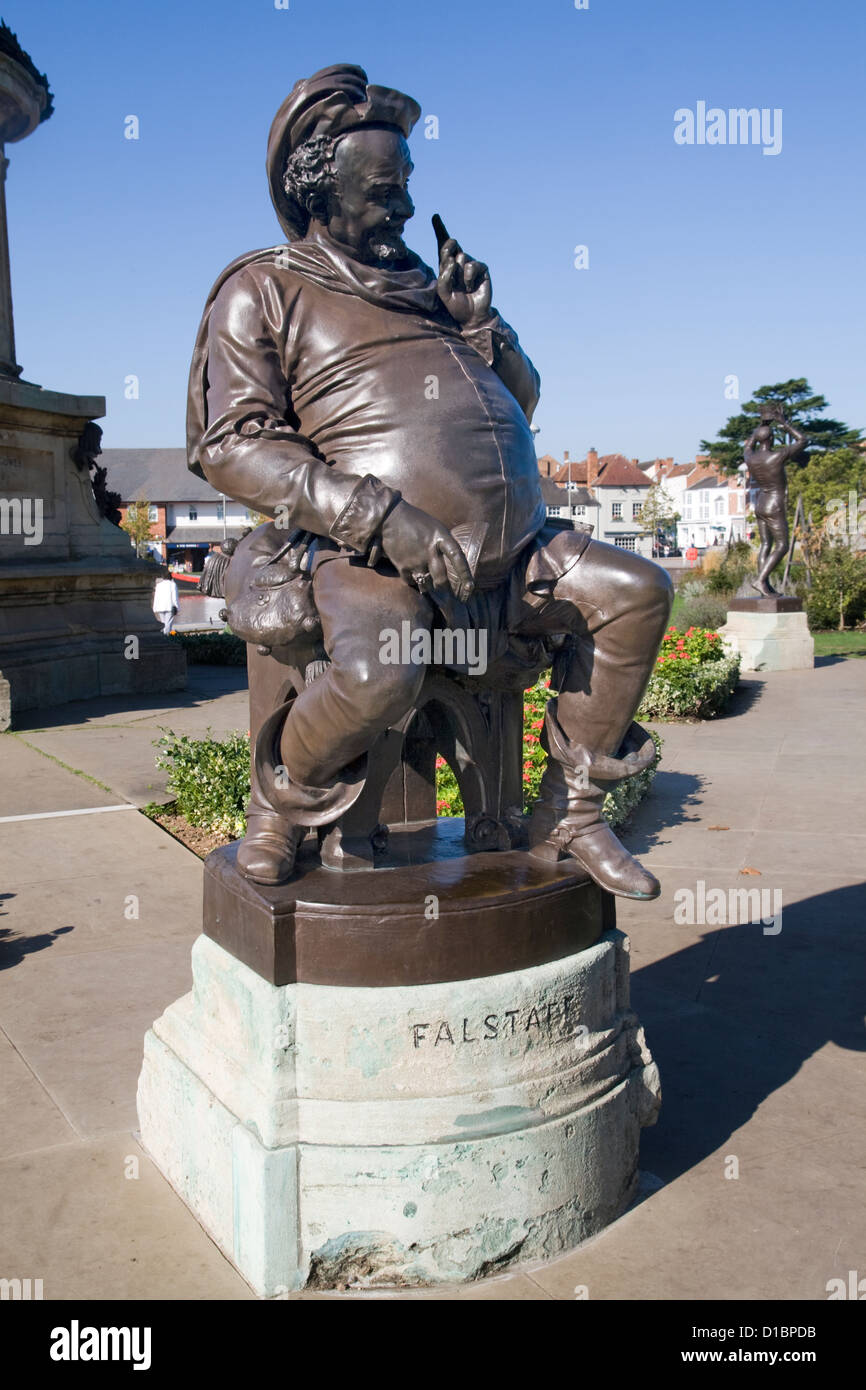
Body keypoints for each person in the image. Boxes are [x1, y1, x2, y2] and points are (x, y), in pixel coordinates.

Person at [187, 65, 673, 899]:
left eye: (408, 185)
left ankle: (571, 812)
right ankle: (280, 804)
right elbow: (231, 444)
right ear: (318, 189)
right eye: (384, 190)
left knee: (636, 591)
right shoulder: (264, 289)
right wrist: (379, 517)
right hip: (367, 554)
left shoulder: (430, 292)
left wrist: (482, 322)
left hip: (515, 549)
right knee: (382, 669)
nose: (406, 208)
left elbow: (522, 402)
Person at [743, 404, 806, 596]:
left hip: (760, 502)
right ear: (771, 439)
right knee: (783, 545)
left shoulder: (750, 458)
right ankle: (761, 580)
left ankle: (764, 587)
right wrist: (784, 423)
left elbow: (747, 445)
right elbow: (803, 440)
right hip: (774, 503)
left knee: (765, 545)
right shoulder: (777, 456)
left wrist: (761, 426)